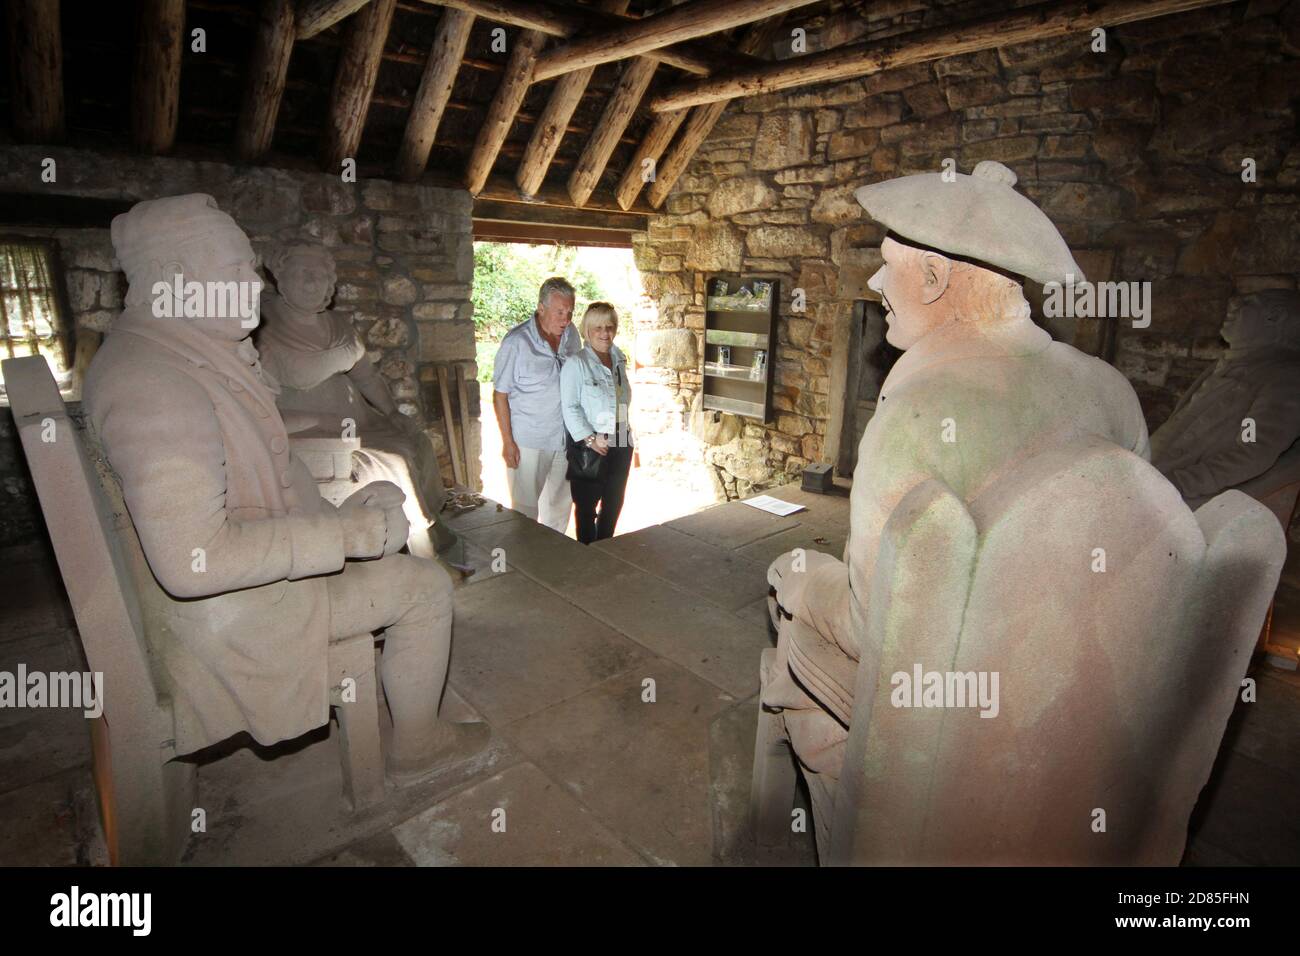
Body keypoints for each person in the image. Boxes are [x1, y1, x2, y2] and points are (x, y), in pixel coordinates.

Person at [763, 161, 1150, 849]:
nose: (876, 283)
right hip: (1072, 712)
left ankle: (829, 826)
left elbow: (873, 630)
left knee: (788, 600)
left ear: (937, 278)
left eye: (887, 266)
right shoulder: (1113, 393)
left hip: (941, 730)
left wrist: (799, 576)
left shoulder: (914, 414)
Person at [82, 194, 487, 785]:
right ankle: (418, 746)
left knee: (399, 484)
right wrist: (342, 536)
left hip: (241, 587)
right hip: (230, 618)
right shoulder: (153, 384)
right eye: (237, 270)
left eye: (253, 267)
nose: (256, 284)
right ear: (174, 281)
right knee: (424, 589)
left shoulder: (180, 353)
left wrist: (336, 516)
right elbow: (194, 564)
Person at [256, 239, 455, 557]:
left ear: (329, 285)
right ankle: (421, 545)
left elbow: (366, 376)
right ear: (281, 276)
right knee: (395, 459)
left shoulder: (338, 324)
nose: (311, 282)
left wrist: (391, 412)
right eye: (302, 272)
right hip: (310, 429)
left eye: (319, 275)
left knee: (415, 439)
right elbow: (282, 386)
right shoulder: (264, 326)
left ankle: (429, 523)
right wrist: (342, 361)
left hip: (356, 421)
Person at [492, 276, 581, 532]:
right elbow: (500, 394)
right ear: (541, 308)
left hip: (564, 440)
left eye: (570, 312)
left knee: (560, 507)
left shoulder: (570, 335)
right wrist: (508, 441)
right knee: (525, 512)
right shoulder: (517, 343)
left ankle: (551, 563)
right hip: (529, 442)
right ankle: (525, 564)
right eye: (559, 312)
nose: (565, 319)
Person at [561, 302, 634, 544]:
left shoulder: (618, 359)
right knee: (586, 506)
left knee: (614, 502)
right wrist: (591, 439)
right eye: (598, 328)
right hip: (589, 445)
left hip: (620, 439)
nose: (605, 333)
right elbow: (570, 407)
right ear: (587, 331)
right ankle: (586, 552)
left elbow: (622, 400)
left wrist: (626, 437)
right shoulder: (577, 364)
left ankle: (605, 548)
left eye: (609, 327)